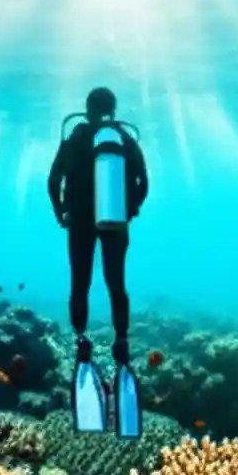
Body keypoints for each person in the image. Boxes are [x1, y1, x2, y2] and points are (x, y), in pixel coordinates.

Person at [48, 86, 148, 435]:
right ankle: (121, 341)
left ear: (88, 108)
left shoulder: (75, 136)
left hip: (79, 222)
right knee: (116, 285)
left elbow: (53, 180)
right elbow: (144, 182)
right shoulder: (123, 139)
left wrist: (61, 211)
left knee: (80, 283)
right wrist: (130, 209)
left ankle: (81, 340)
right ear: (113, 109)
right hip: (114, 222)